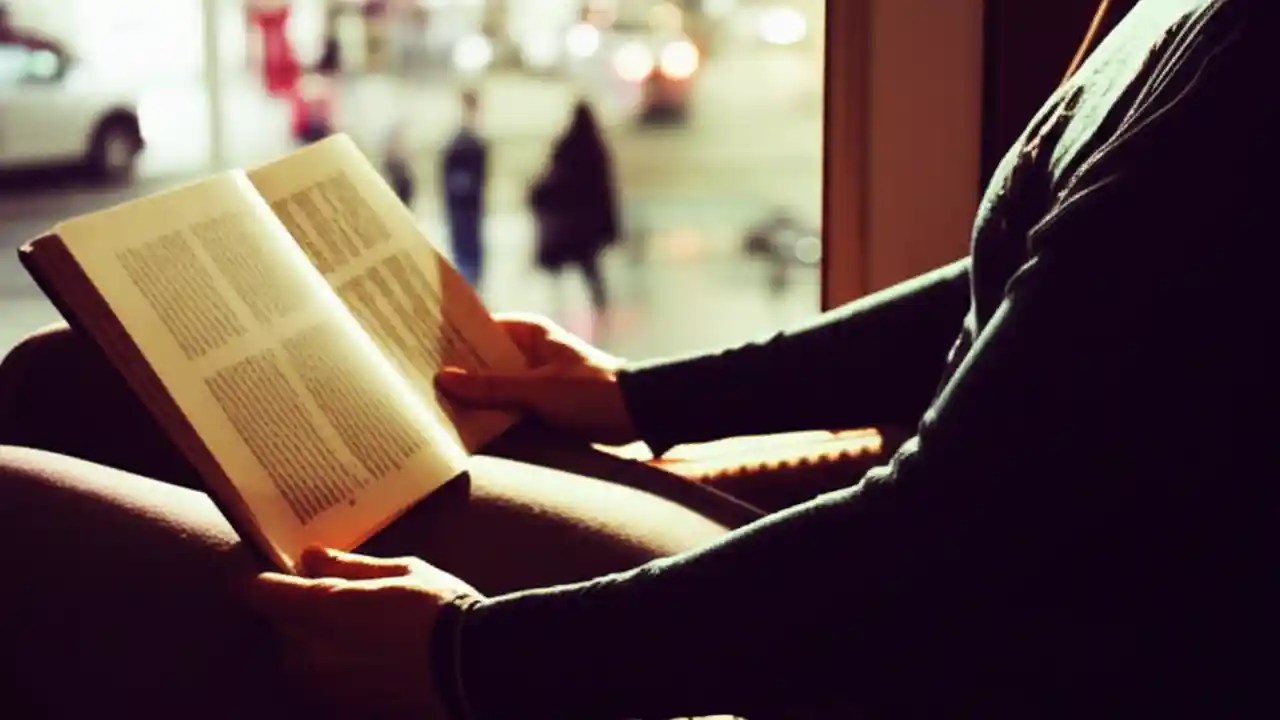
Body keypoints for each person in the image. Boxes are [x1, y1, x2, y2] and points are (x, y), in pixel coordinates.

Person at [1, 0, 1276, 717]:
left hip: (956, 653)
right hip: (923, 590)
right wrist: (632, 395)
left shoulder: (1245, 59)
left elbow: (960, 527)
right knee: (69, 377)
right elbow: (1019, 293)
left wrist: (470, 662)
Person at [529, 101, 620, 314]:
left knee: (561, 266)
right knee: (589, 267)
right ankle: (600, 304)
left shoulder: (566, 148)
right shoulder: (596, 150)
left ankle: (556, 308)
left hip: (567, 223)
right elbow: (605, 191)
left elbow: (553, 180)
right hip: (588, 225)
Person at [441, 90, 488, 287]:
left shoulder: (475, 141)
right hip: (461, 209)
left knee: (471, 253)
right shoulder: (459, 142)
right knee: (465, 254)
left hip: (471, 208)